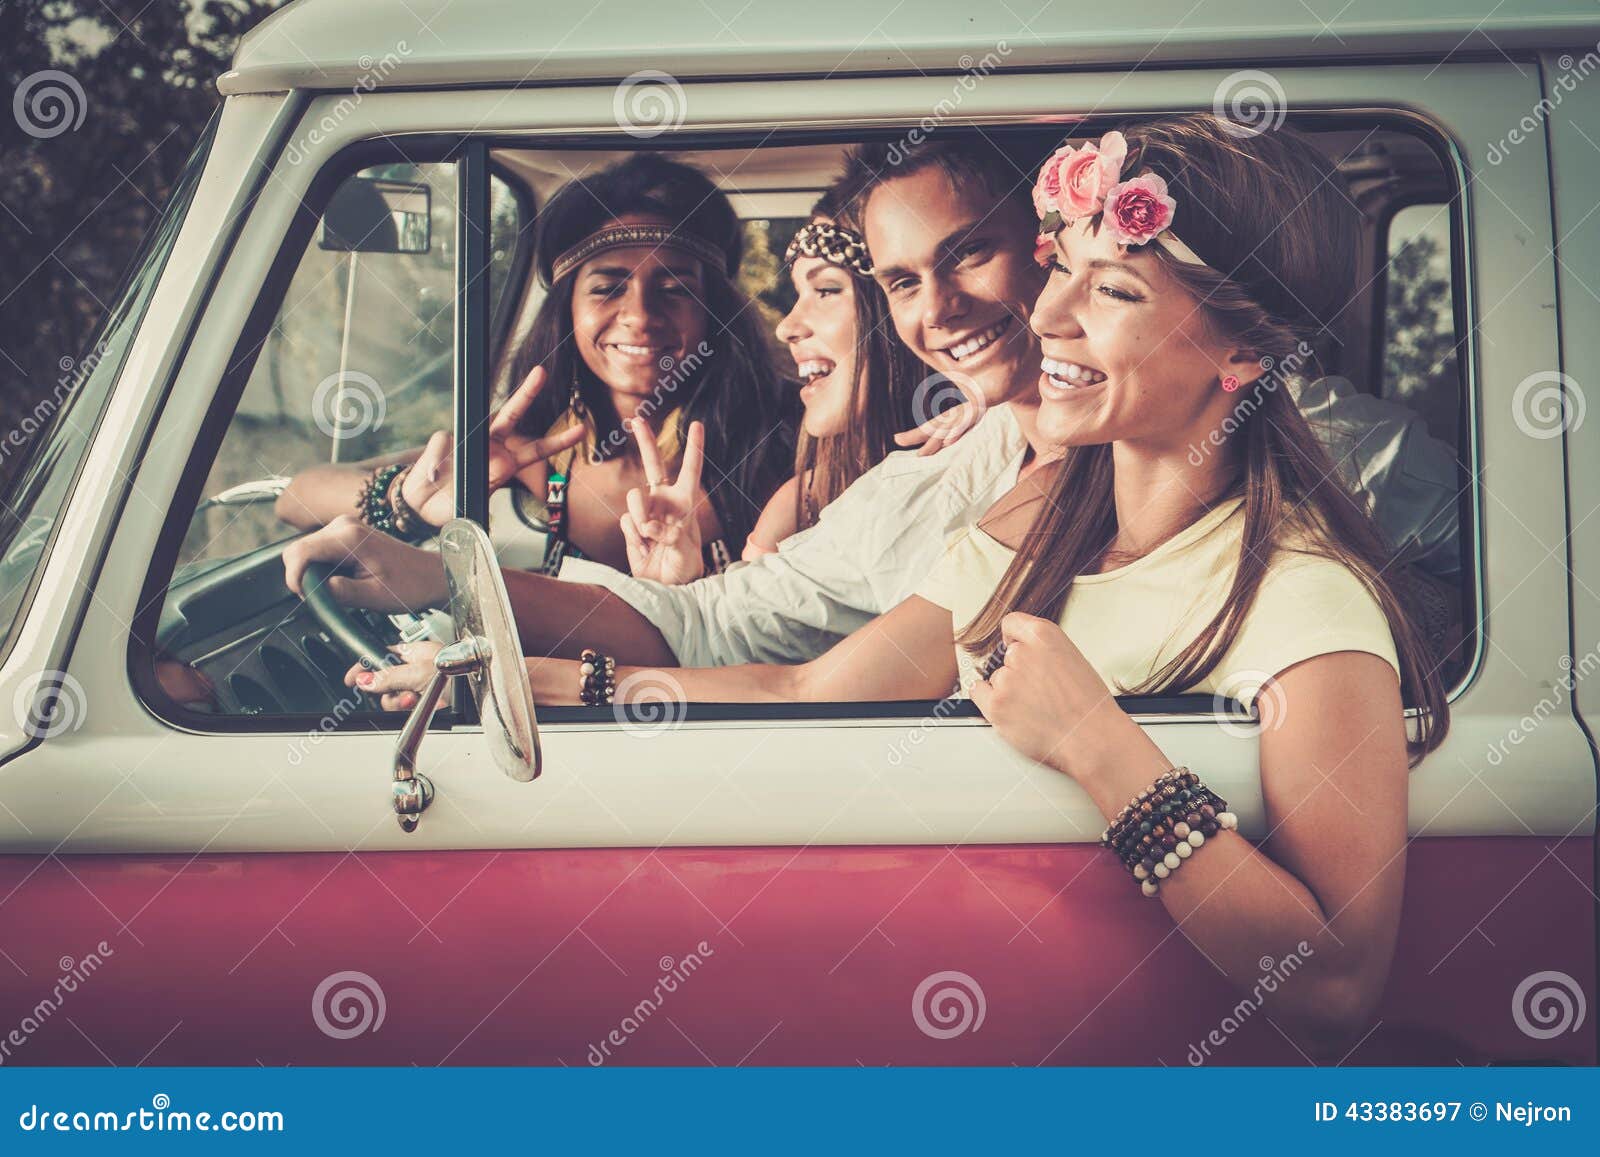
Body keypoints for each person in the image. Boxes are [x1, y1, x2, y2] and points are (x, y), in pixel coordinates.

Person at [373, 116, 1442, 1055]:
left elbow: (1335, 987)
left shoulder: (1309, 596)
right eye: (1058, 265)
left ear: (1244, 356)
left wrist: (1101, 748)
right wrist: (564, 686)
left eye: (1110, 289)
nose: (1053, 314)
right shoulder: (1043, 514)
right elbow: (812, 693)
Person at [276, 154, 798, 575]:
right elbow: (299, 496)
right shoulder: (524, 446)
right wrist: (410, 499)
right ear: (566, 310)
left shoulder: (788, 444)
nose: (640, 316)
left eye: (675, 290)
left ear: (715, 311)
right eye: (608, 288)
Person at [623, 187, 924, 578]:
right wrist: (675, 585)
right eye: (799, 294)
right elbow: (740, 632)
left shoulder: (993, 462)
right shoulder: (799, 503)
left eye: (827, 290)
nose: (787, 327)